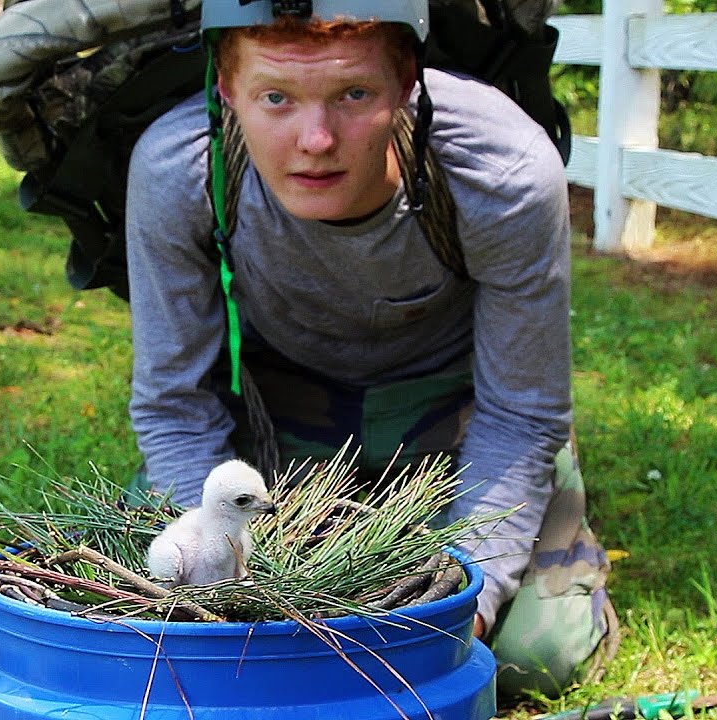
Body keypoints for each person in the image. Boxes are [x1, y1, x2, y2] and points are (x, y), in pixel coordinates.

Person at [124, 0, 614, 697]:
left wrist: (464, 605)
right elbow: (175, 403)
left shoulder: (500, 170)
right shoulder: (180, 169)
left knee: (528, 659)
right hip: (280, 427)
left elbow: (522, 413)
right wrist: (215, 579)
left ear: (407, 83)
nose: (316, 139)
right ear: (226, 89)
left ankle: (555, 535)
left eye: (354, 94)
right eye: (276, 98)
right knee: (163, 628)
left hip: (463, 424)